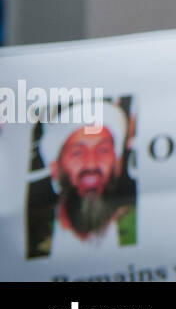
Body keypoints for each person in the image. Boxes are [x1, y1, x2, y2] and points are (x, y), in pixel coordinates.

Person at [27, 102, 136, 258]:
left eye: (103, 150)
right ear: (55, 168)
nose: (91, 164)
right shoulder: (32, 234)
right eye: (78, 153)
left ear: (117, 164)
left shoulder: (140, 224)